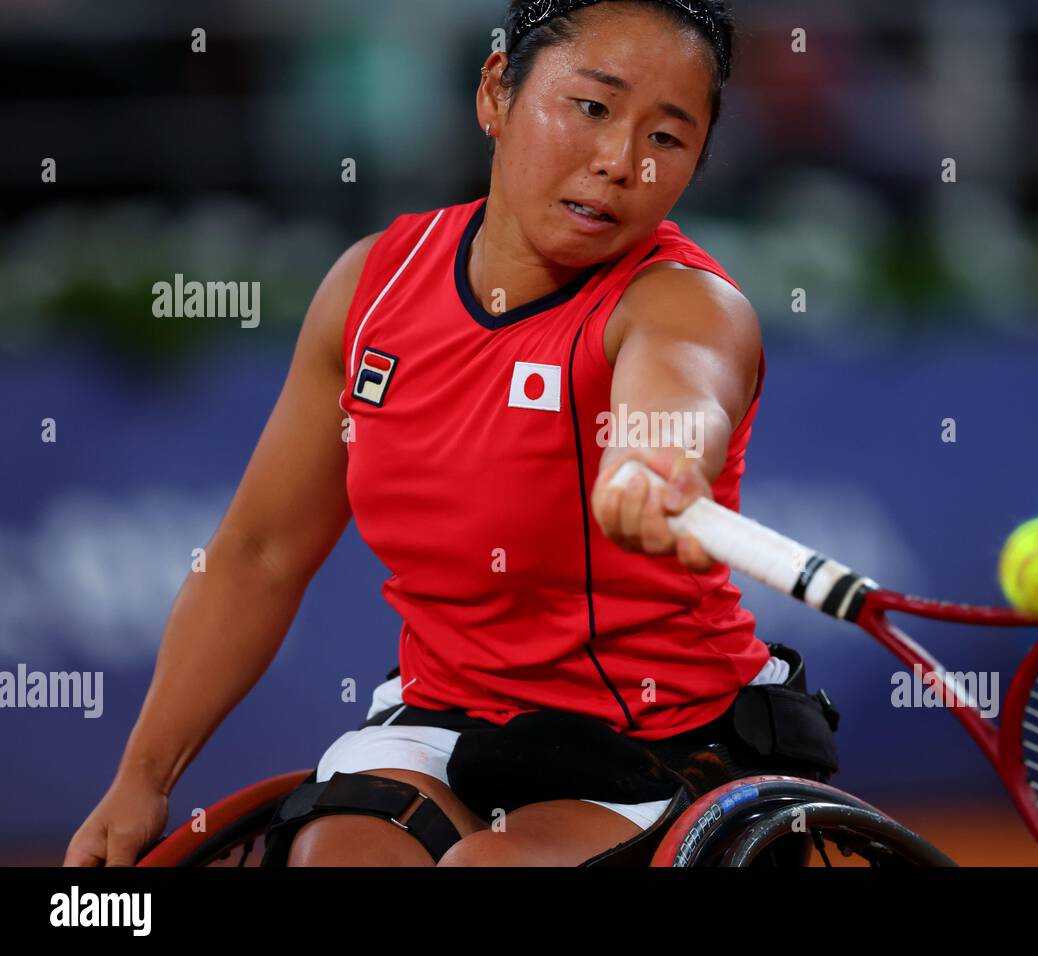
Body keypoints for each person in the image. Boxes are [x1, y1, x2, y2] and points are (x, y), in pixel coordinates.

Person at [65, 0, 835, 868]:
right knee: (339, 859)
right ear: (496, 95)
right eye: (591, 107)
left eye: (668, 138)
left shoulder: (687, 302)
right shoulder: (373, 287)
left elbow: (681, 393)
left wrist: (655, 462)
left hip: (662, 736)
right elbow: (259, 552)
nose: (620, 162)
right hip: (443, 721)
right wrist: (142, 779)